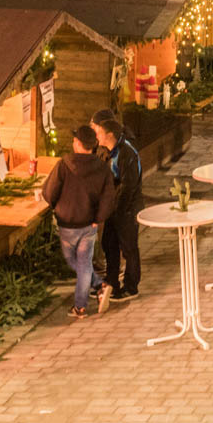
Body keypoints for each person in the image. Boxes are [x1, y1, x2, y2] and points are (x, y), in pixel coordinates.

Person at [42, 125, 116, 318]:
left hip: (68, 223)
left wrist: (56, 206)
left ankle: (81, 306)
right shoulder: (102, 168)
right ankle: (100, 286)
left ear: (77, 143)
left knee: (74, 261)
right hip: (89, 224)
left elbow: (49, 192)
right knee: (83, 262)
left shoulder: (64, 165)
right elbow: (109, 197)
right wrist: (98, 218)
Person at [97, 118, 142, 302]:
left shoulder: (126, 153)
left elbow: (128, 186)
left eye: (99, 132)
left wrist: (118, 209)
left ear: (110, 135)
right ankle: (112, 282)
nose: (97, 135)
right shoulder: (111, 151)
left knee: (129, 248)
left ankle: (131, 287)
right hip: (115, 208)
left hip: (127, 209)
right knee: (109, 243)